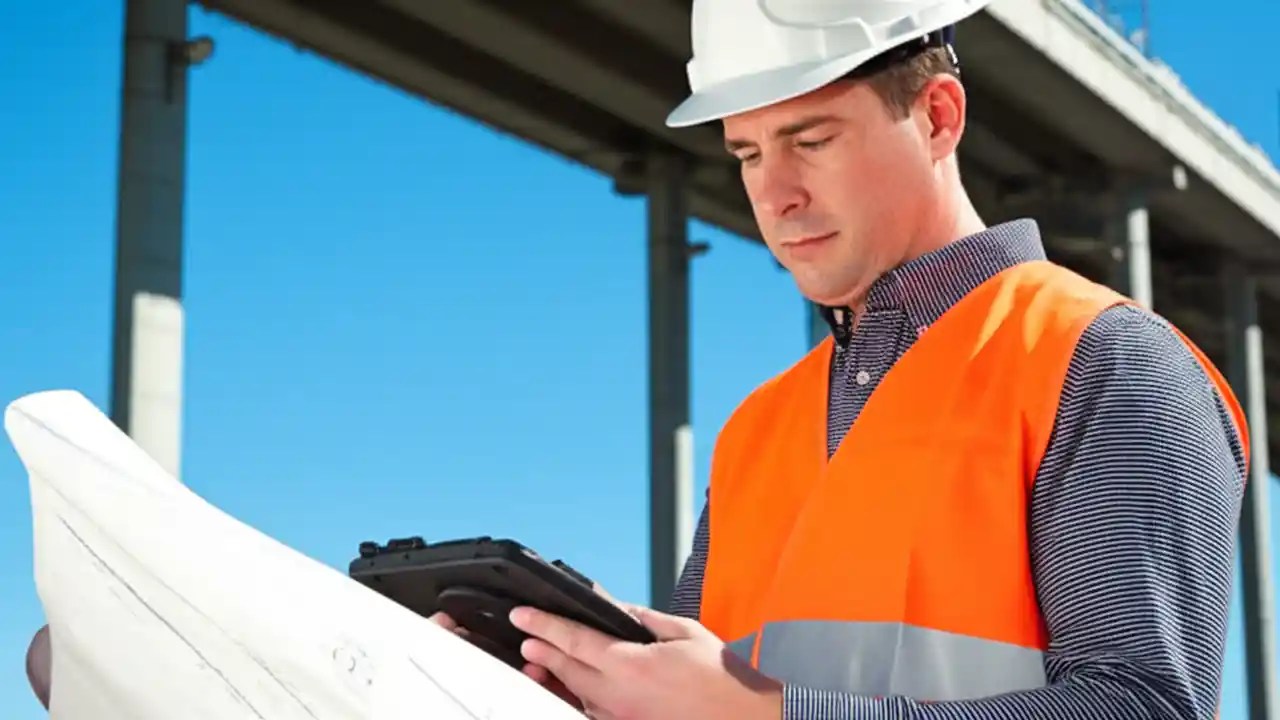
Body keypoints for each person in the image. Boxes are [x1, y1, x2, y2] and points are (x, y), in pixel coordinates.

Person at [27, 0, 1250, 718]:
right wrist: (557, 667)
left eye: (809, 138)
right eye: (745, 153)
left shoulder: (1103, 364)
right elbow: (701, 691)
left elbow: (1136, 709)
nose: (774, 194)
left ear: (935, 118)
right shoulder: (763, 426)